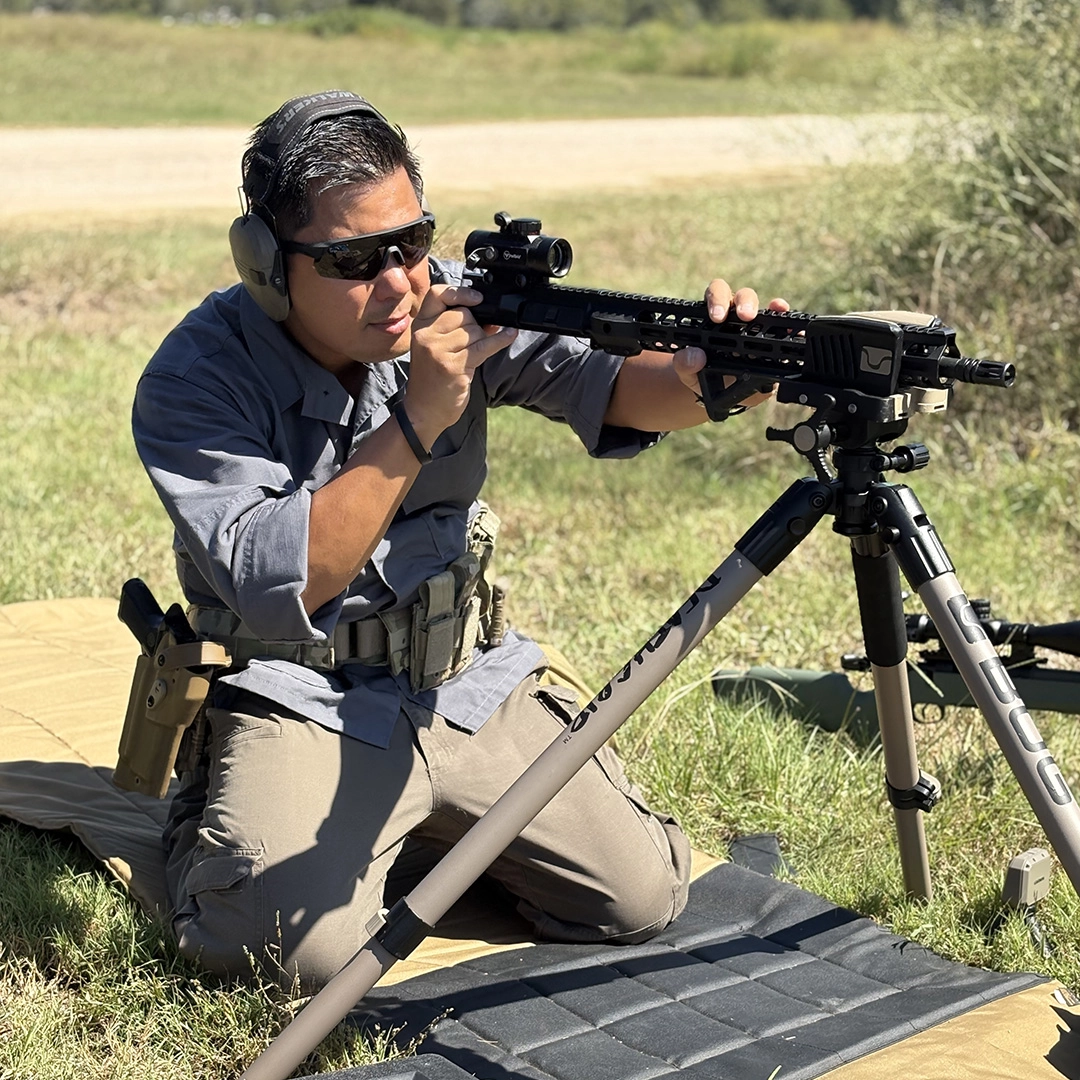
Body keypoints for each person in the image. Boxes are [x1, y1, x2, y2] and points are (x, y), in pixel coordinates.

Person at [132, 89, 788, 990]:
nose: (400, 281)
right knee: (291, 958)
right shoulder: (194, 380)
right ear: (267, 267)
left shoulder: (445, 309)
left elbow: (613, 386)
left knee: (638, 898)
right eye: (355, 260)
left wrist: (719, 378)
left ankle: (408, 823)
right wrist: (415, 420)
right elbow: (281, 581)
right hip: (302, 689)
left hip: (461, 682)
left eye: (411, 243)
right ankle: (216, 821)